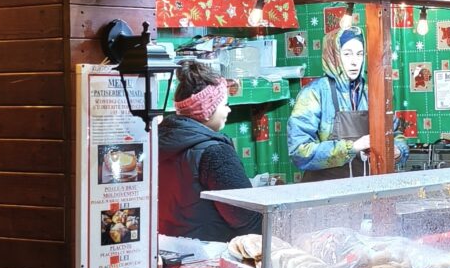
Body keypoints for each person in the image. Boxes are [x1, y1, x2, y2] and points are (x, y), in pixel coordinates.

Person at [157, 59, 261, 244]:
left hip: (170, 250)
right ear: (206, 110)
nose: (228, 110)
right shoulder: (215, 153)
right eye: (224, 104)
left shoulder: (161, 141)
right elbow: (245, 218)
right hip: (212, 252)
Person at [287, 26, 408, 179]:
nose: (354, 62)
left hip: (366, 189)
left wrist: (396, 151)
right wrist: (352, 147)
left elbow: (395, 134)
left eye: (359, 54)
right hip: (325, 193)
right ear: (333, 55)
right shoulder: (314, 93)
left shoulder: (373, 92)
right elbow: (299, 151)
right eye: (347, 54)